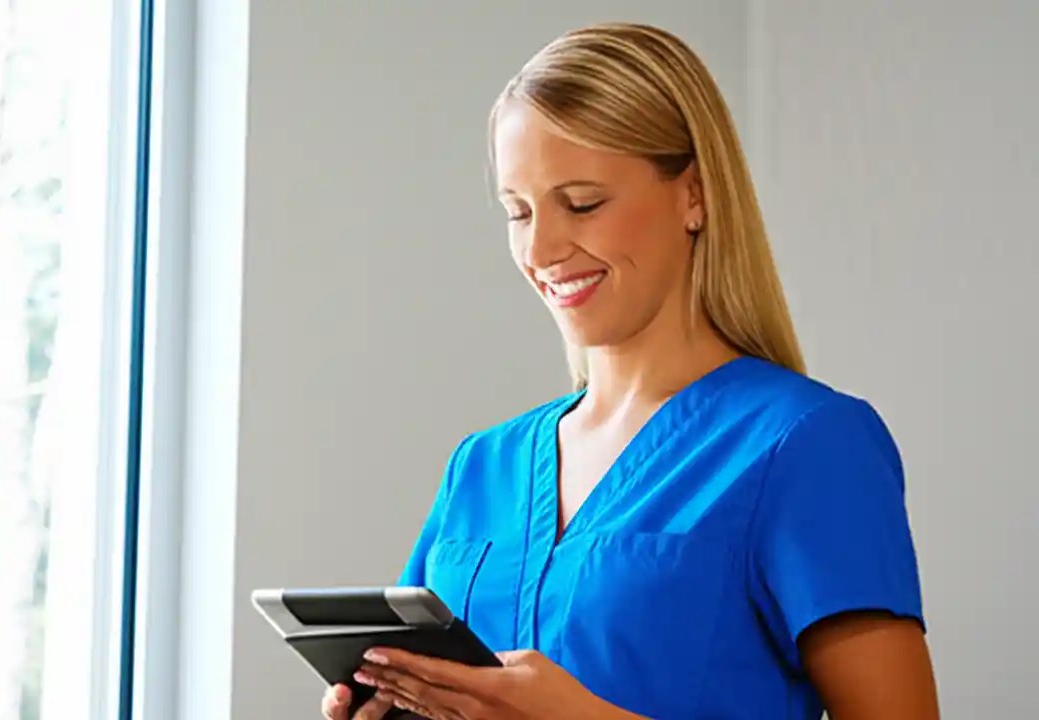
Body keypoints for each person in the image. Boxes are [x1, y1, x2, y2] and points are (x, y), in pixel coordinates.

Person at [322, 22, 938, 720]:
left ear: (694, 196)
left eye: (583, 203)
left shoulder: (807, 443)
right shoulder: (482, 466)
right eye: (517, 213)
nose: (542, 248)